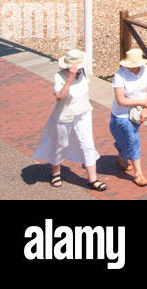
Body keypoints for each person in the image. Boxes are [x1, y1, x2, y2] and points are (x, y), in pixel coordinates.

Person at [32, 48, 106, 191]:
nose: (77, 70)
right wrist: (70, 78)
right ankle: (56, 172)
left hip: (83, 114)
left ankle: (93, 179)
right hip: (64, 116)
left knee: (88, 144)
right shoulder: (59, 76)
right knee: (60, 144)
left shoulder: (84, 74)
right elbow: (60, 97)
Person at [110, 48, 147, 187]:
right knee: (133, 140)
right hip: (121, 115)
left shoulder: (146, 70)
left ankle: (122, 158)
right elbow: (121, 100)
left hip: (138, 114)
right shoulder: (119, 75)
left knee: (129, 141)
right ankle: (138, 173)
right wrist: (143, 103)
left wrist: (146, 109)